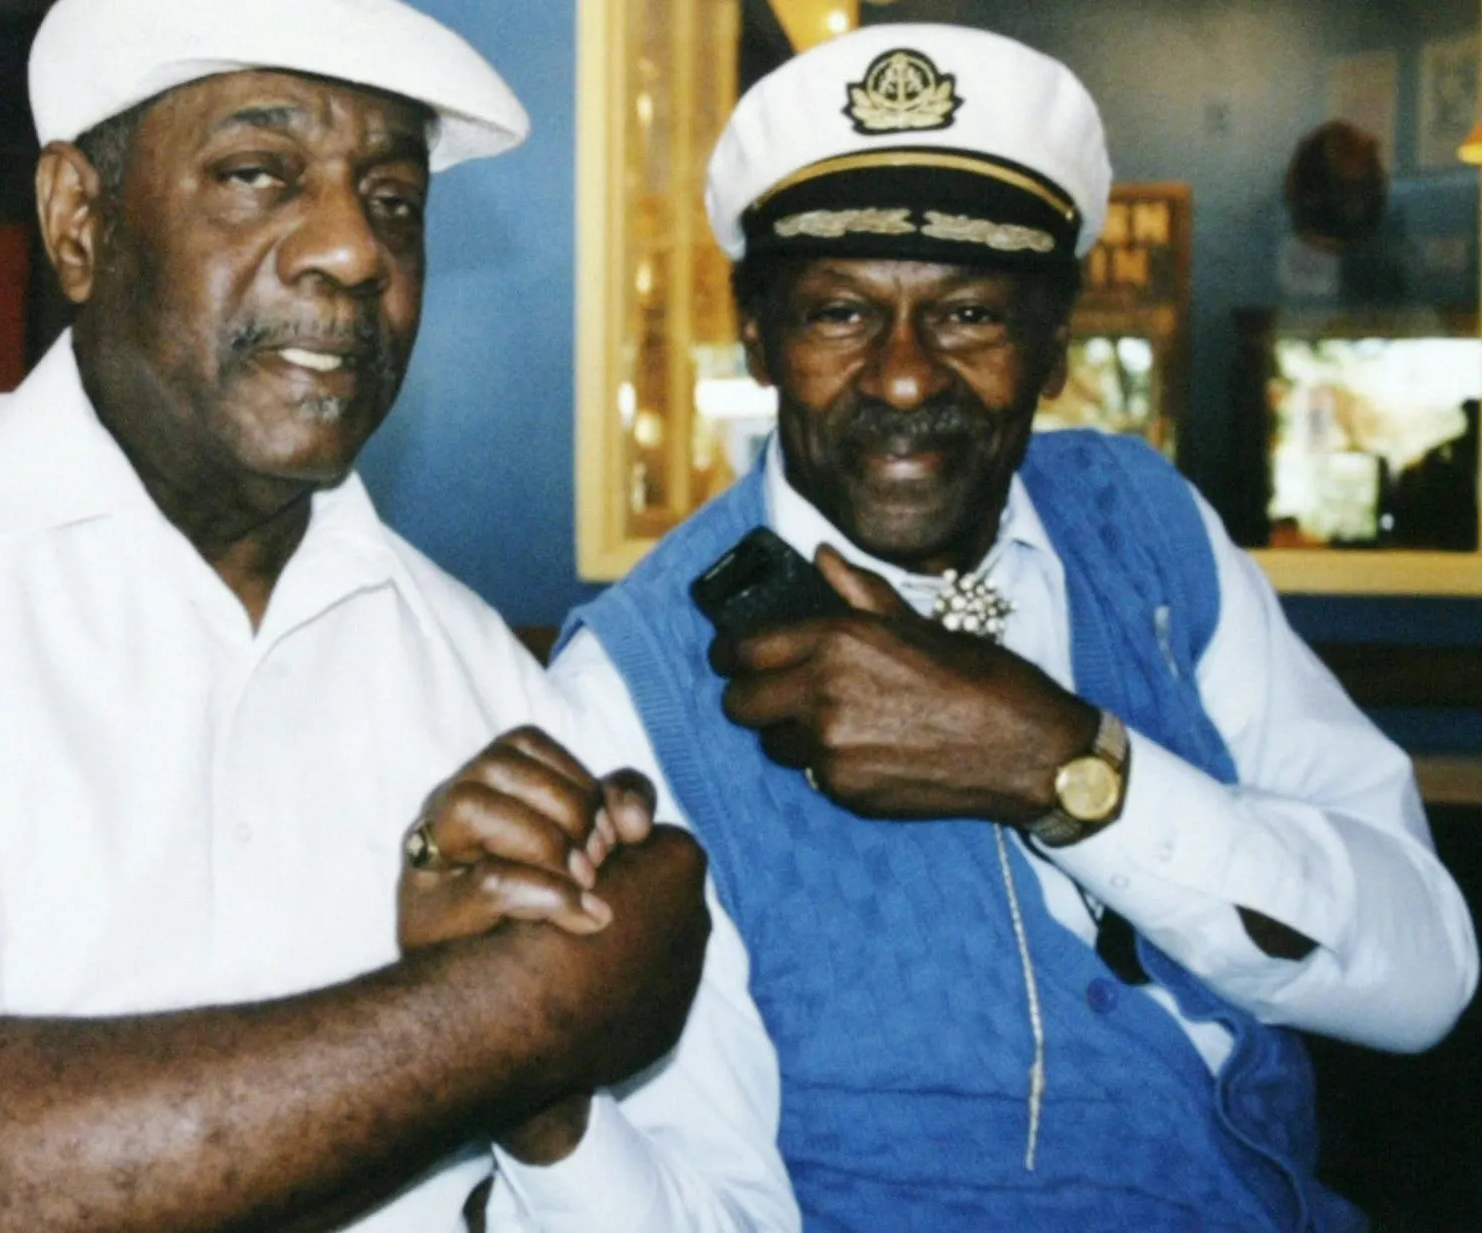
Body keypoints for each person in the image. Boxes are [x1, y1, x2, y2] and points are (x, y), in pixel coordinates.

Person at [0, 1, 800, 1229]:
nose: (352, 250)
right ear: (80, 221)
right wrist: (518, 1016)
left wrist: (551, 1114)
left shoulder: (482, 678)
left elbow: (729, 1211)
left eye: (393, 198)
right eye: (256, 174)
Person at [552, 23, 1479, 1232]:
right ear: (757, 335)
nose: (901, 377)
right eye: (839, 313)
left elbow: (1424, 979)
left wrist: (1067, 768)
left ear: (1053, 343)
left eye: (972, 314)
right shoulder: (630, 688)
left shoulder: (1147, 529)